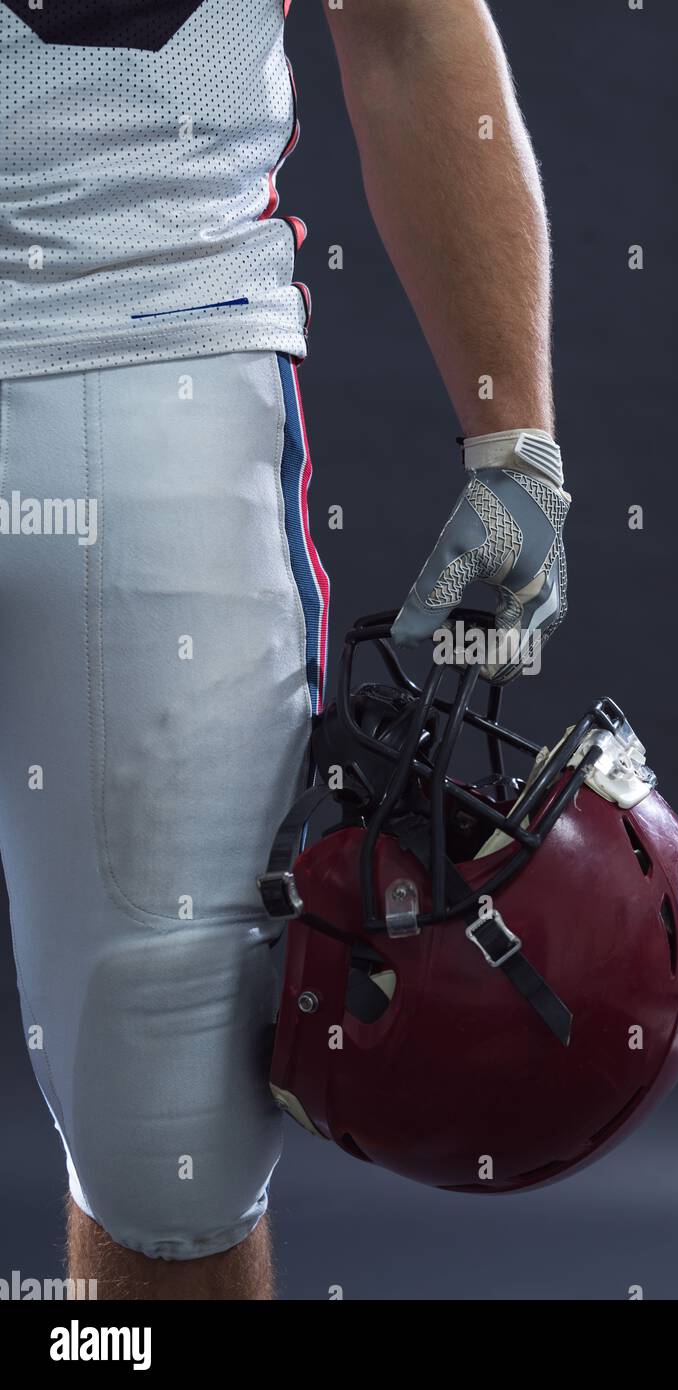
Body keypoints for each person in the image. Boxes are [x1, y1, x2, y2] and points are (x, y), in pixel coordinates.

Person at [0, 1, 567, 1299]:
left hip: (141, 354)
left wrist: (511, 439)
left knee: (170, 1151)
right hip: (145, 387)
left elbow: (409, 27)